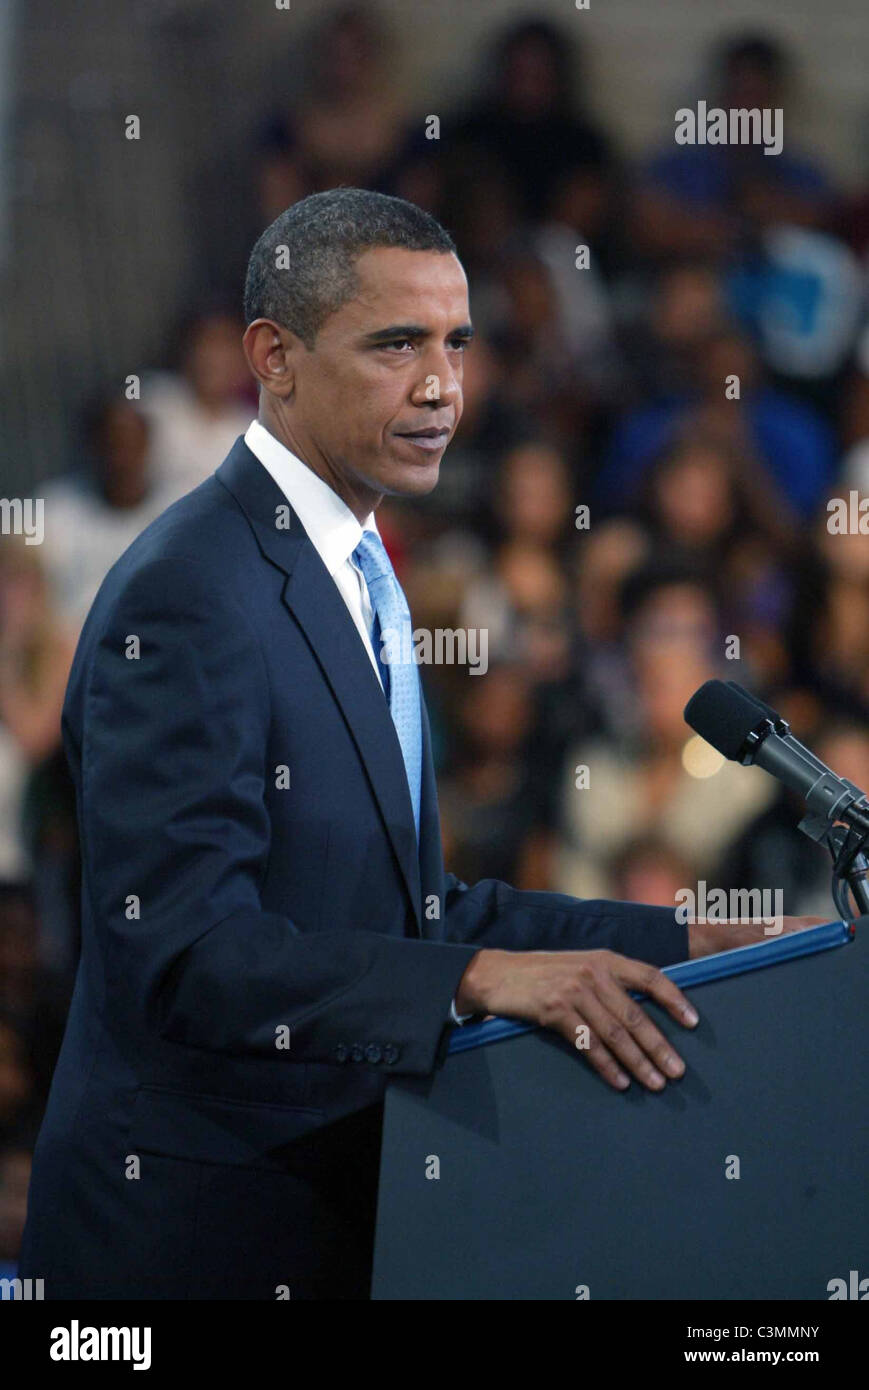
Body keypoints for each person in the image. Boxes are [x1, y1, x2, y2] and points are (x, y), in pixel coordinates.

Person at [20, 189, 815, 1301]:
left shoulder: (354, 565)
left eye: (455, 343)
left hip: (343, 1224)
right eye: (395, 344)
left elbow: (407, 914)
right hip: (190, 1248)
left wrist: (713, 946)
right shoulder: (191, 591)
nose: (442, 387)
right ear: (274, 357)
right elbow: (187, 951)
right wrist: (476, 976)